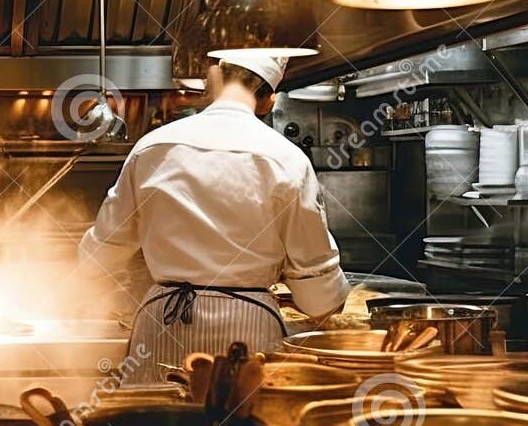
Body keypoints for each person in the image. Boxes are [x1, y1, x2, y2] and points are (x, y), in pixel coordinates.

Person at [78, 53, 348, 385]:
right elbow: (317, 291)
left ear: (215, 80)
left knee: (154, 425)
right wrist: (326, 300)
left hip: (164, 322)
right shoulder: (287, 159)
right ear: (268, 101)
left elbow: (103, 252)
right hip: (249, 330)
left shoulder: (152, 146)